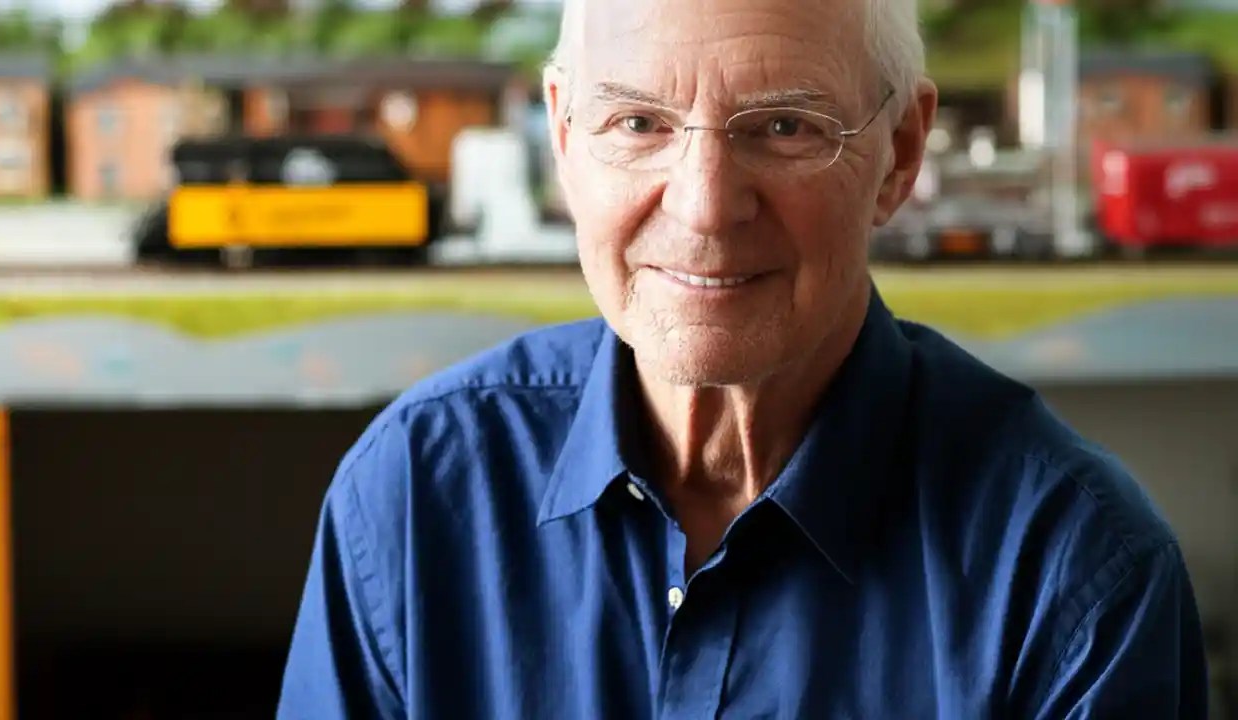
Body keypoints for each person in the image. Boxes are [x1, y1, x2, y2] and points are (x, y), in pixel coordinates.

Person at [278, 0, 1209, 715]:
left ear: (900, 154)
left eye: (784, 127)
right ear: (564, 135)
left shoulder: (1078, 576)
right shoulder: (410, 499)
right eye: (639, 124)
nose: (705, 208)